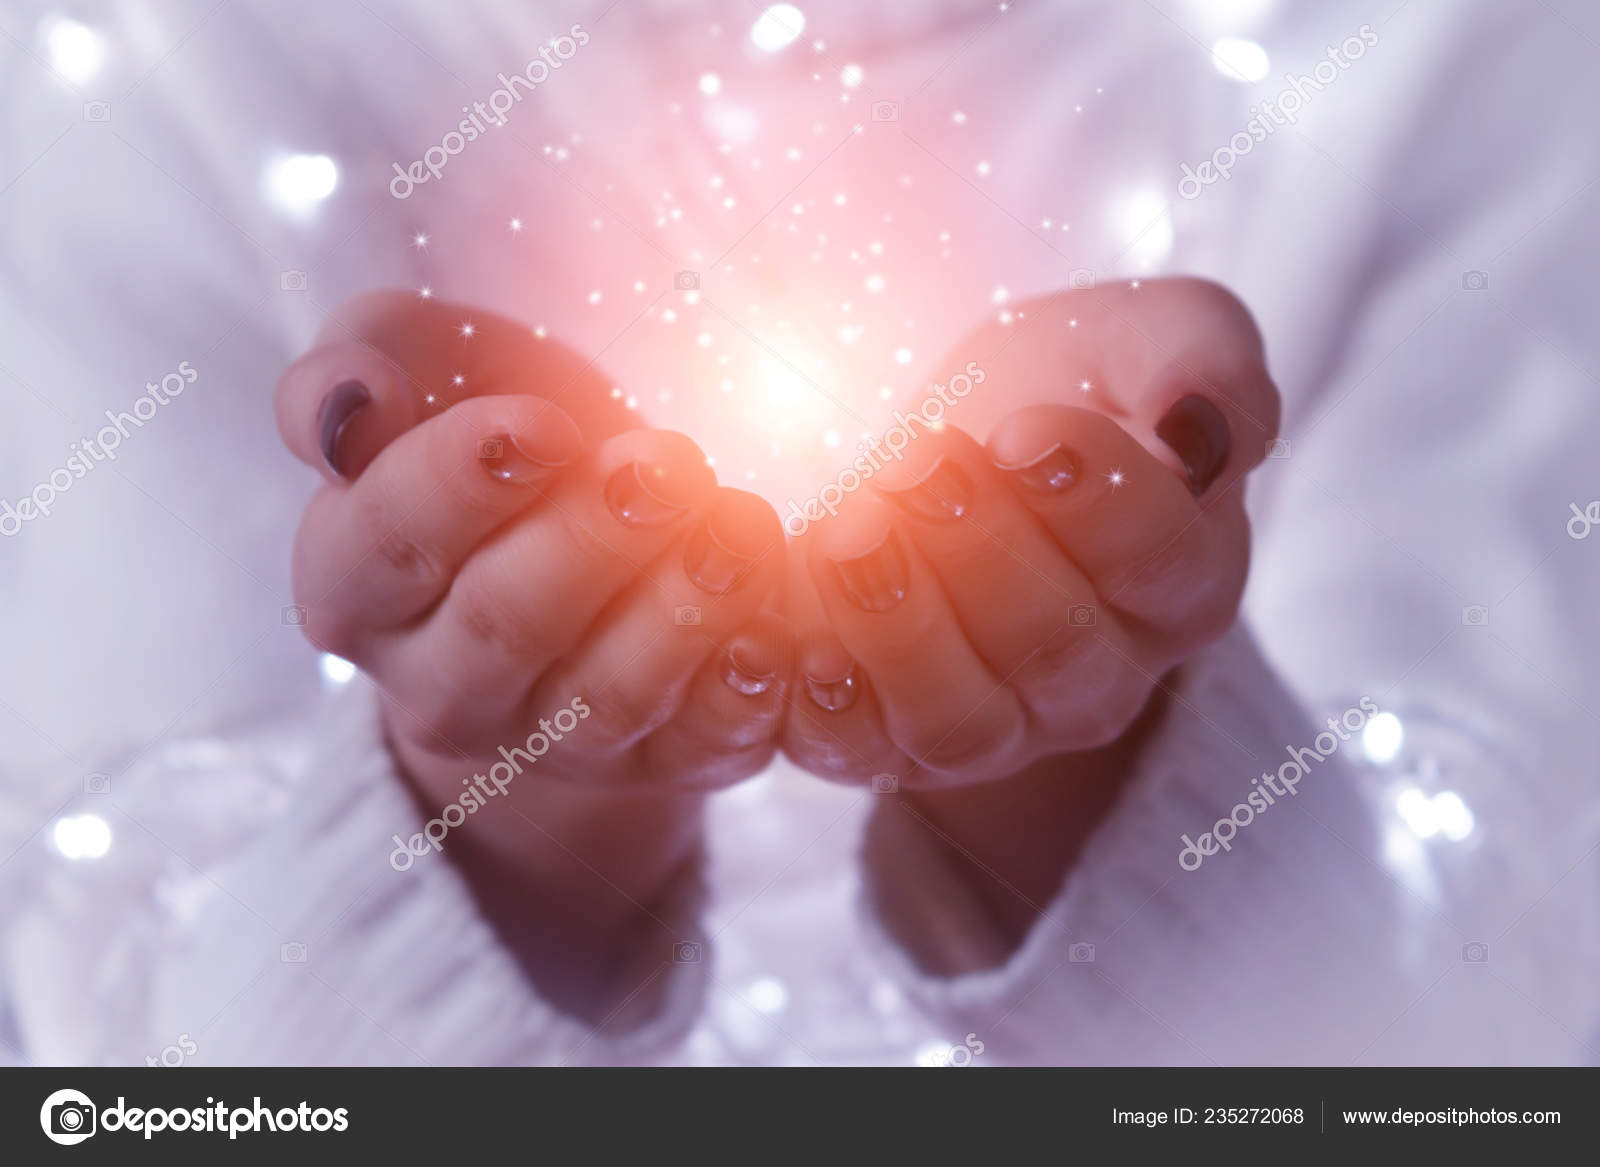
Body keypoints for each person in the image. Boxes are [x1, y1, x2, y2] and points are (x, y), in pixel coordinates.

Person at [1, 0, 1596, 1065]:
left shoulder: (1456, 48)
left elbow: (1483, 1035)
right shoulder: (141, 56)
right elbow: (136, 1066)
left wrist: (1079, 772)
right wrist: (517, 811)